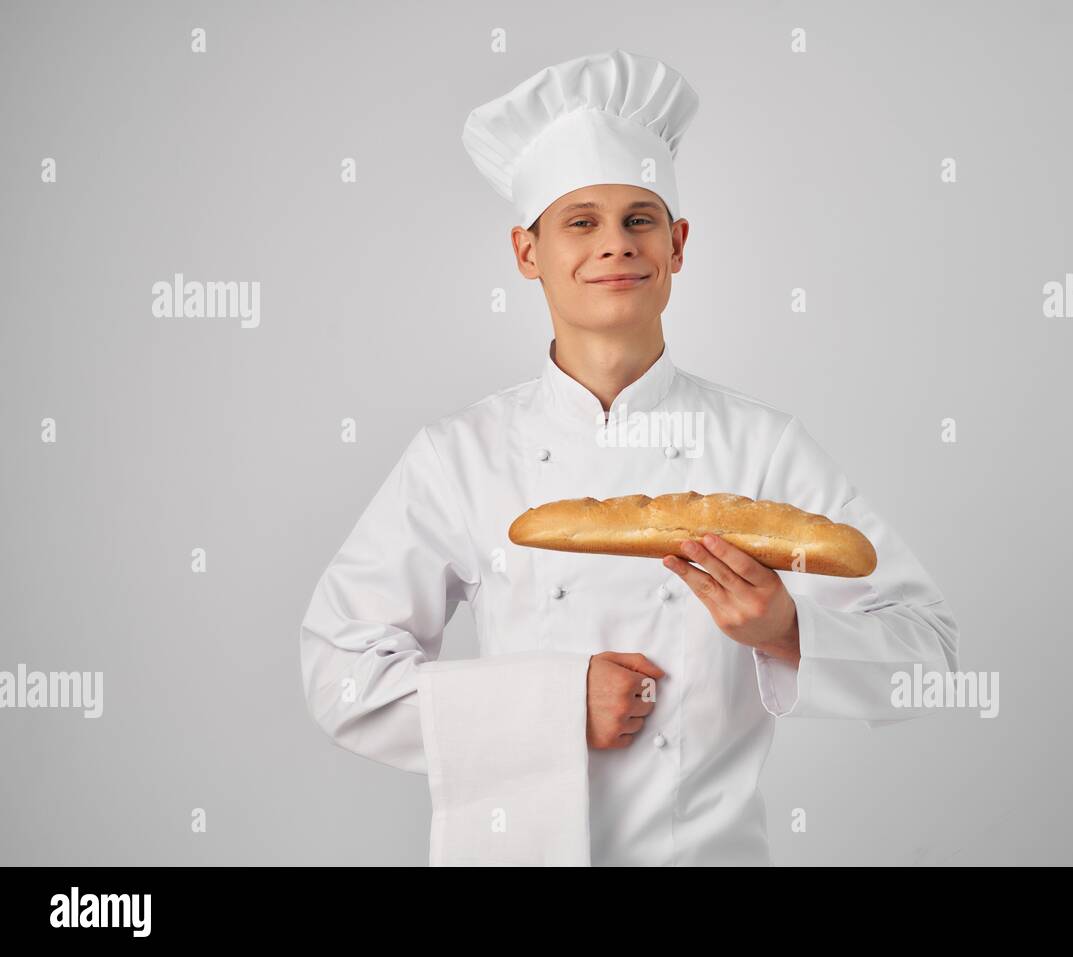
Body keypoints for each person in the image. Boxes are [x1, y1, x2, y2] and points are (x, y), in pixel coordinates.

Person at [299, 49, 960, 867]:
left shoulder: (760, 446)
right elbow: (340, 674)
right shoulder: (459, 456)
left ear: (678, 245)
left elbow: (929, 657)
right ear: (526, 252)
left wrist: (788, 630)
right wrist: (553, 705)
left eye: (640, 219)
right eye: (581, 221)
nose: (615, 244)